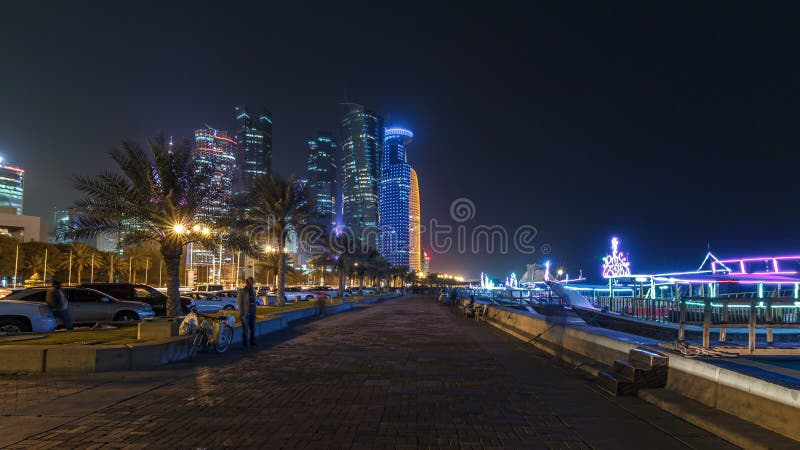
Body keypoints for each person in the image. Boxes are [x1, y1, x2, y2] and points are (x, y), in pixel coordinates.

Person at [237, 277, 258, 348]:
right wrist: (241, 314)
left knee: (253, 329)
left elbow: (254, 302)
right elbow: (240, 304)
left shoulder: (253, 290)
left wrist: (255, 311)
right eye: (249, 282)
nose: (250, 283)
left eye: (251, 282)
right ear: (246, 283)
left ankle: (252, 343)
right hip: (245, 314)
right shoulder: (242, 291)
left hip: (252, 313)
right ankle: (245, 344)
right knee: (245, 330)